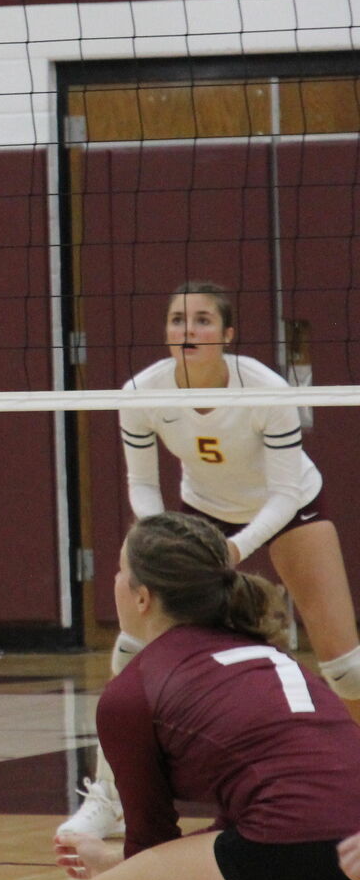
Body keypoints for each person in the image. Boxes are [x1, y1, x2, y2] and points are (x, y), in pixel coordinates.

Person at [62, 281, 360, 841]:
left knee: (348, 667)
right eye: (178, 321)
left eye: (201, 321)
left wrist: (238, 548)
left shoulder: (265, 390)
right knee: (132, 649)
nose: (187, 331)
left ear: (226, 335)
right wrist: (155, 539)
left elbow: (284, 491)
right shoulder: (143, 391)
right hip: (203, 514)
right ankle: (106, 800)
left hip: (290, 507)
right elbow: (142, 484)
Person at [54, 512, 360, 880]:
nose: (115, 581)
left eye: (119, 571)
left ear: (142, 597)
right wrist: (111, 861)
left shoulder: (132, 691)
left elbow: (151, 840)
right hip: (347, 849)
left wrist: (113, 871)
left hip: (293, 846)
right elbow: (242, 820)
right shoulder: (263, 653)